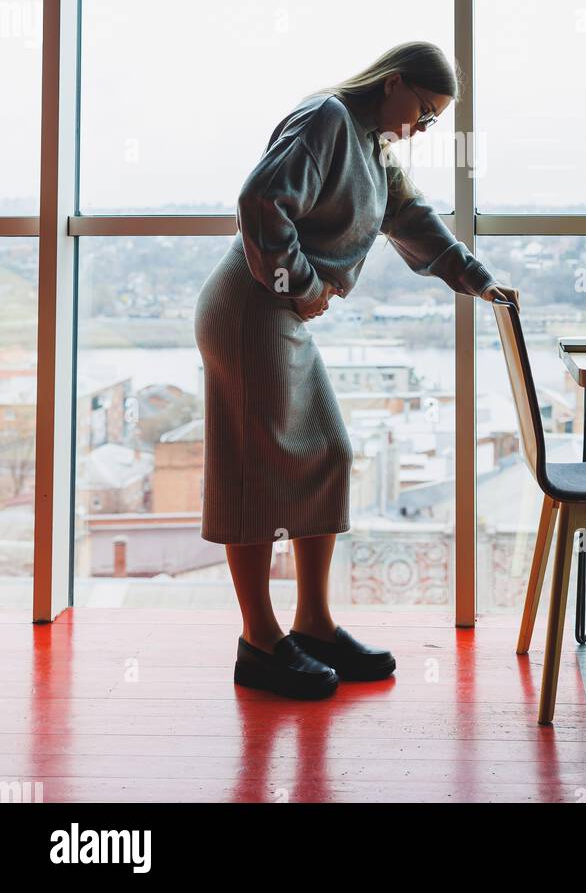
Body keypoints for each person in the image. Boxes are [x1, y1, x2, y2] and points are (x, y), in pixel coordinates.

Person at [193, 41, 520, 700]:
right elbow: (261, 202)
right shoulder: (328, 119)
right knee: (253, 474)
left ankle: (312, 625)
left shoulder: (372, 151)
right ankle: (260, 642)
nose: (423, 129)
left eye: (434, 122)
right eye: (424, 112)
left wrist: (480, 282)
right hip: (252, 306)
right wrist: (307, 286)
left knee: (330, 454)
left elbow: (417, 224)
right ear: (393, 83)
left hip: (276, 310)